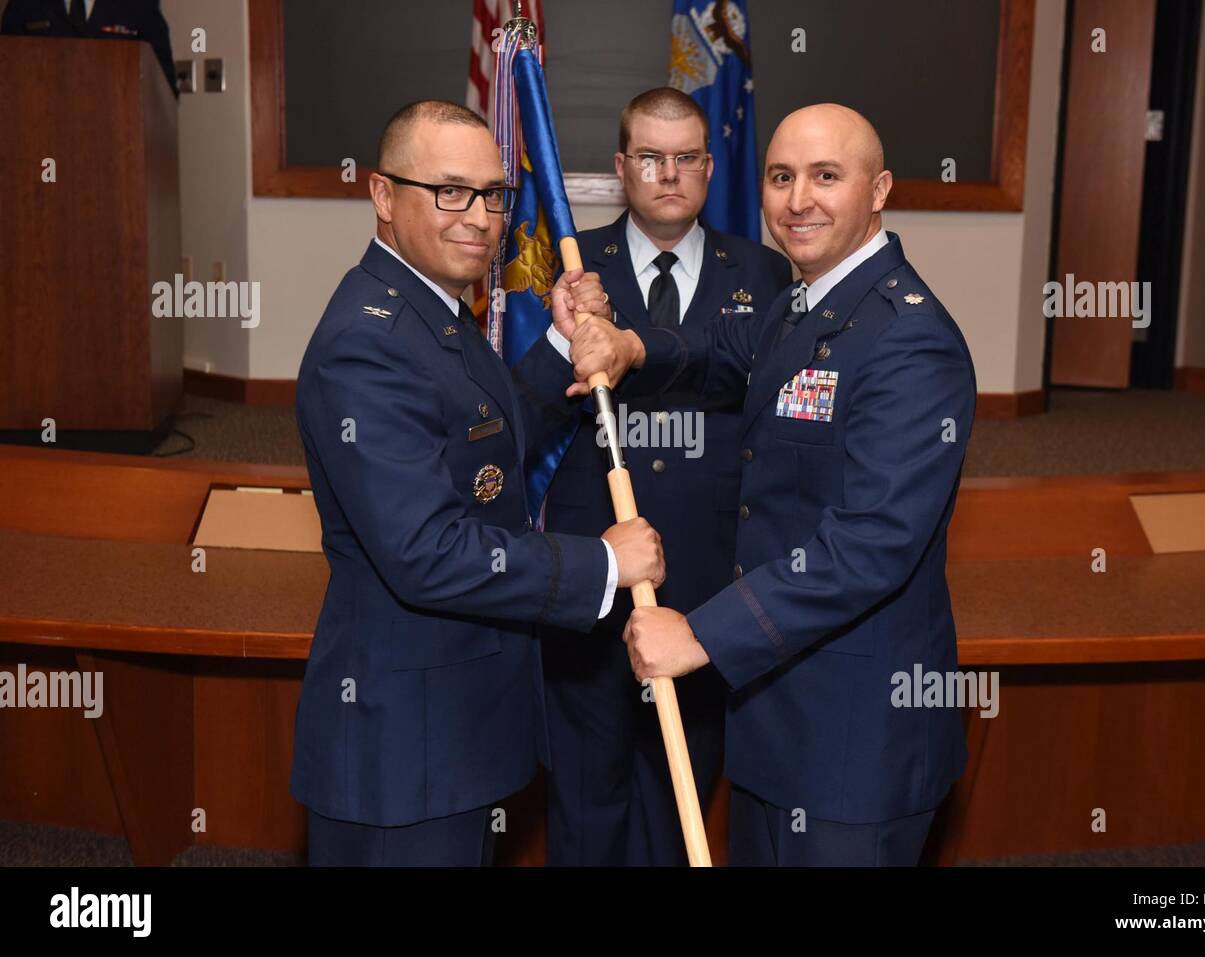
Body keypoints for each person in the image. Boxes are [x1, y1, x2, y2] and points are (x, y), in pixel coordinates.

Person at [562, 104, 978, 866]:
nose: (797, 200)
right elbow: (716, 347)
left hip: (855, 746)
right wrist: (627, 343)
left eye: (826, 176)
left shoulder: (910, 339)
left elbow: (869, 546)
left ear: (878, 189)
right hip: (774, 720)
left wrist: (700, 633)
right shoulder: (800, 305)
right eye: (781, 176)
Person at [290, 100, 669, 866]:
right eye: (450, 191)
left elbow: (485, 447)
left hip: (449, 729)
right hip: (401, 757)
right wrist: (600, 563)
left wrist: (561, 342)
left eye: (494, 195)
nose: (482, 217)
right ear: (383, 196)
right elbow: (425, 549)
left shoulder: (430, 311)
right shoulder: (367, 345)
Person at [538, 87, 790, 866]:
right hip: (596, 567)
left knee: (680, 791)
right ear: (622, 167)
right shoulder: (575, 265)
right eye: (650, 157)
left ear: (711, 169)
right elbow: (532, 408)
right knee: (585, 796)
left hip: (708, 574)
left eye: (686, 159)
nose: (669, 174)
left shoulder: (764, 270)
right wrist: (561, 331)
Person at [1, 0, 179, 95]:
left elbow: (164, 87)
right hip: (40, 138)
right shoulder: (25, 4)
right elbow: (7, 74)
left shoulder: (137, 4)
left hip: (119, 142)